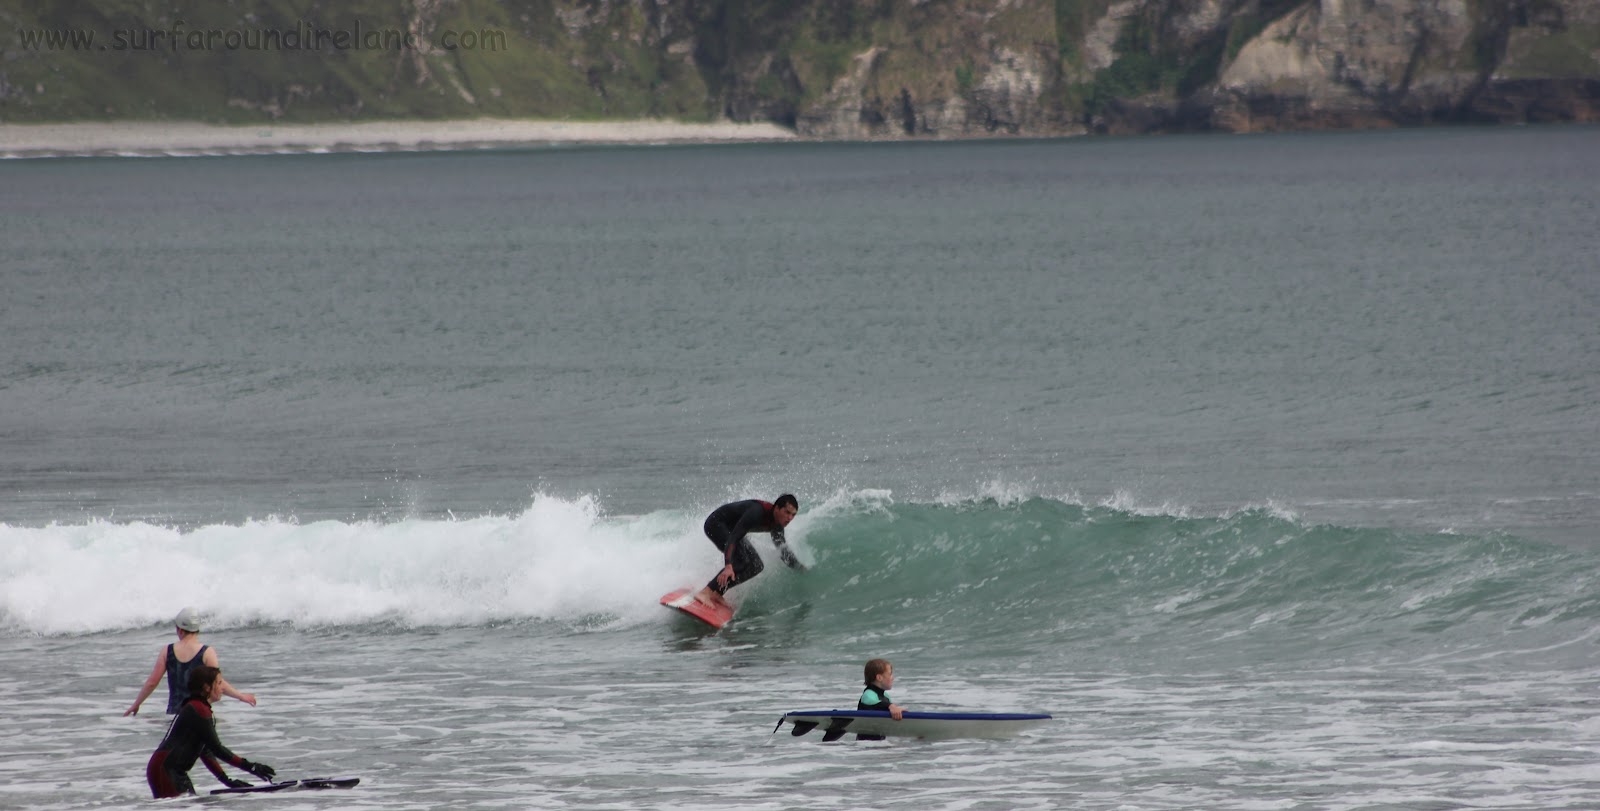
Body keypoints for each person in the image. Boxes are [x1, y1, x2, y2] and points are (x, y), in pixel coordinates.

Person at [145, 665, 276, 798]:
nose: (222, 688)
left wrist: (227, 781)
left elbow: (205, 750)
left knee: (189, 804)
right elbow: (217, 749)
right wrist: (251, 767)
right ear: (207, 687)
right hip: (165, 769)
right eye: (219, 683)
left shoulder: (198, 707)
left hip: (168, 769)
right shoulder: (198, 709)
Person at [124, 607, 256, 716]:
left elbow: (152, 683)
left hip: (174, 714)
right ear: (197, 629)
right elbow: (218, 684)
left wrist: (136, 704)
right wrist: (241, 696)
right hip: (199, 713)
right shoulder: (207, 652)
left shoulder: (167, 651)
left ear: (180, 629)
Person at [692, 494, 807, 610]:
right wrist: (728, 565)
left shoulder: (778, 526)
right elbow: (733, 538)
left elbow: (783, 552)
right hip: (716, 524)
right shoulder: (757, 512)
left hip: (732, 531)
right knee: (740, 561)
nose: (790, 518)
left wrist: (800, 568)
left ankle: (717, 593)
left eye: (793, 515)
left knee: (756, 565)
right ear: (777, 508)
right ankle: (705, 592)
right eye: (787, 512)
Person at [856, 658, 905, 741]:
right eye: (890, 674)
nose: (893, 678)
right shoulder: (868, 694)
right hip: (864, 745)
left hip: (880, 745)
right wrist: (891, 706)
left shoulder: (885, 696)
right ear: (879, 677)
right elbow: (876, 704)